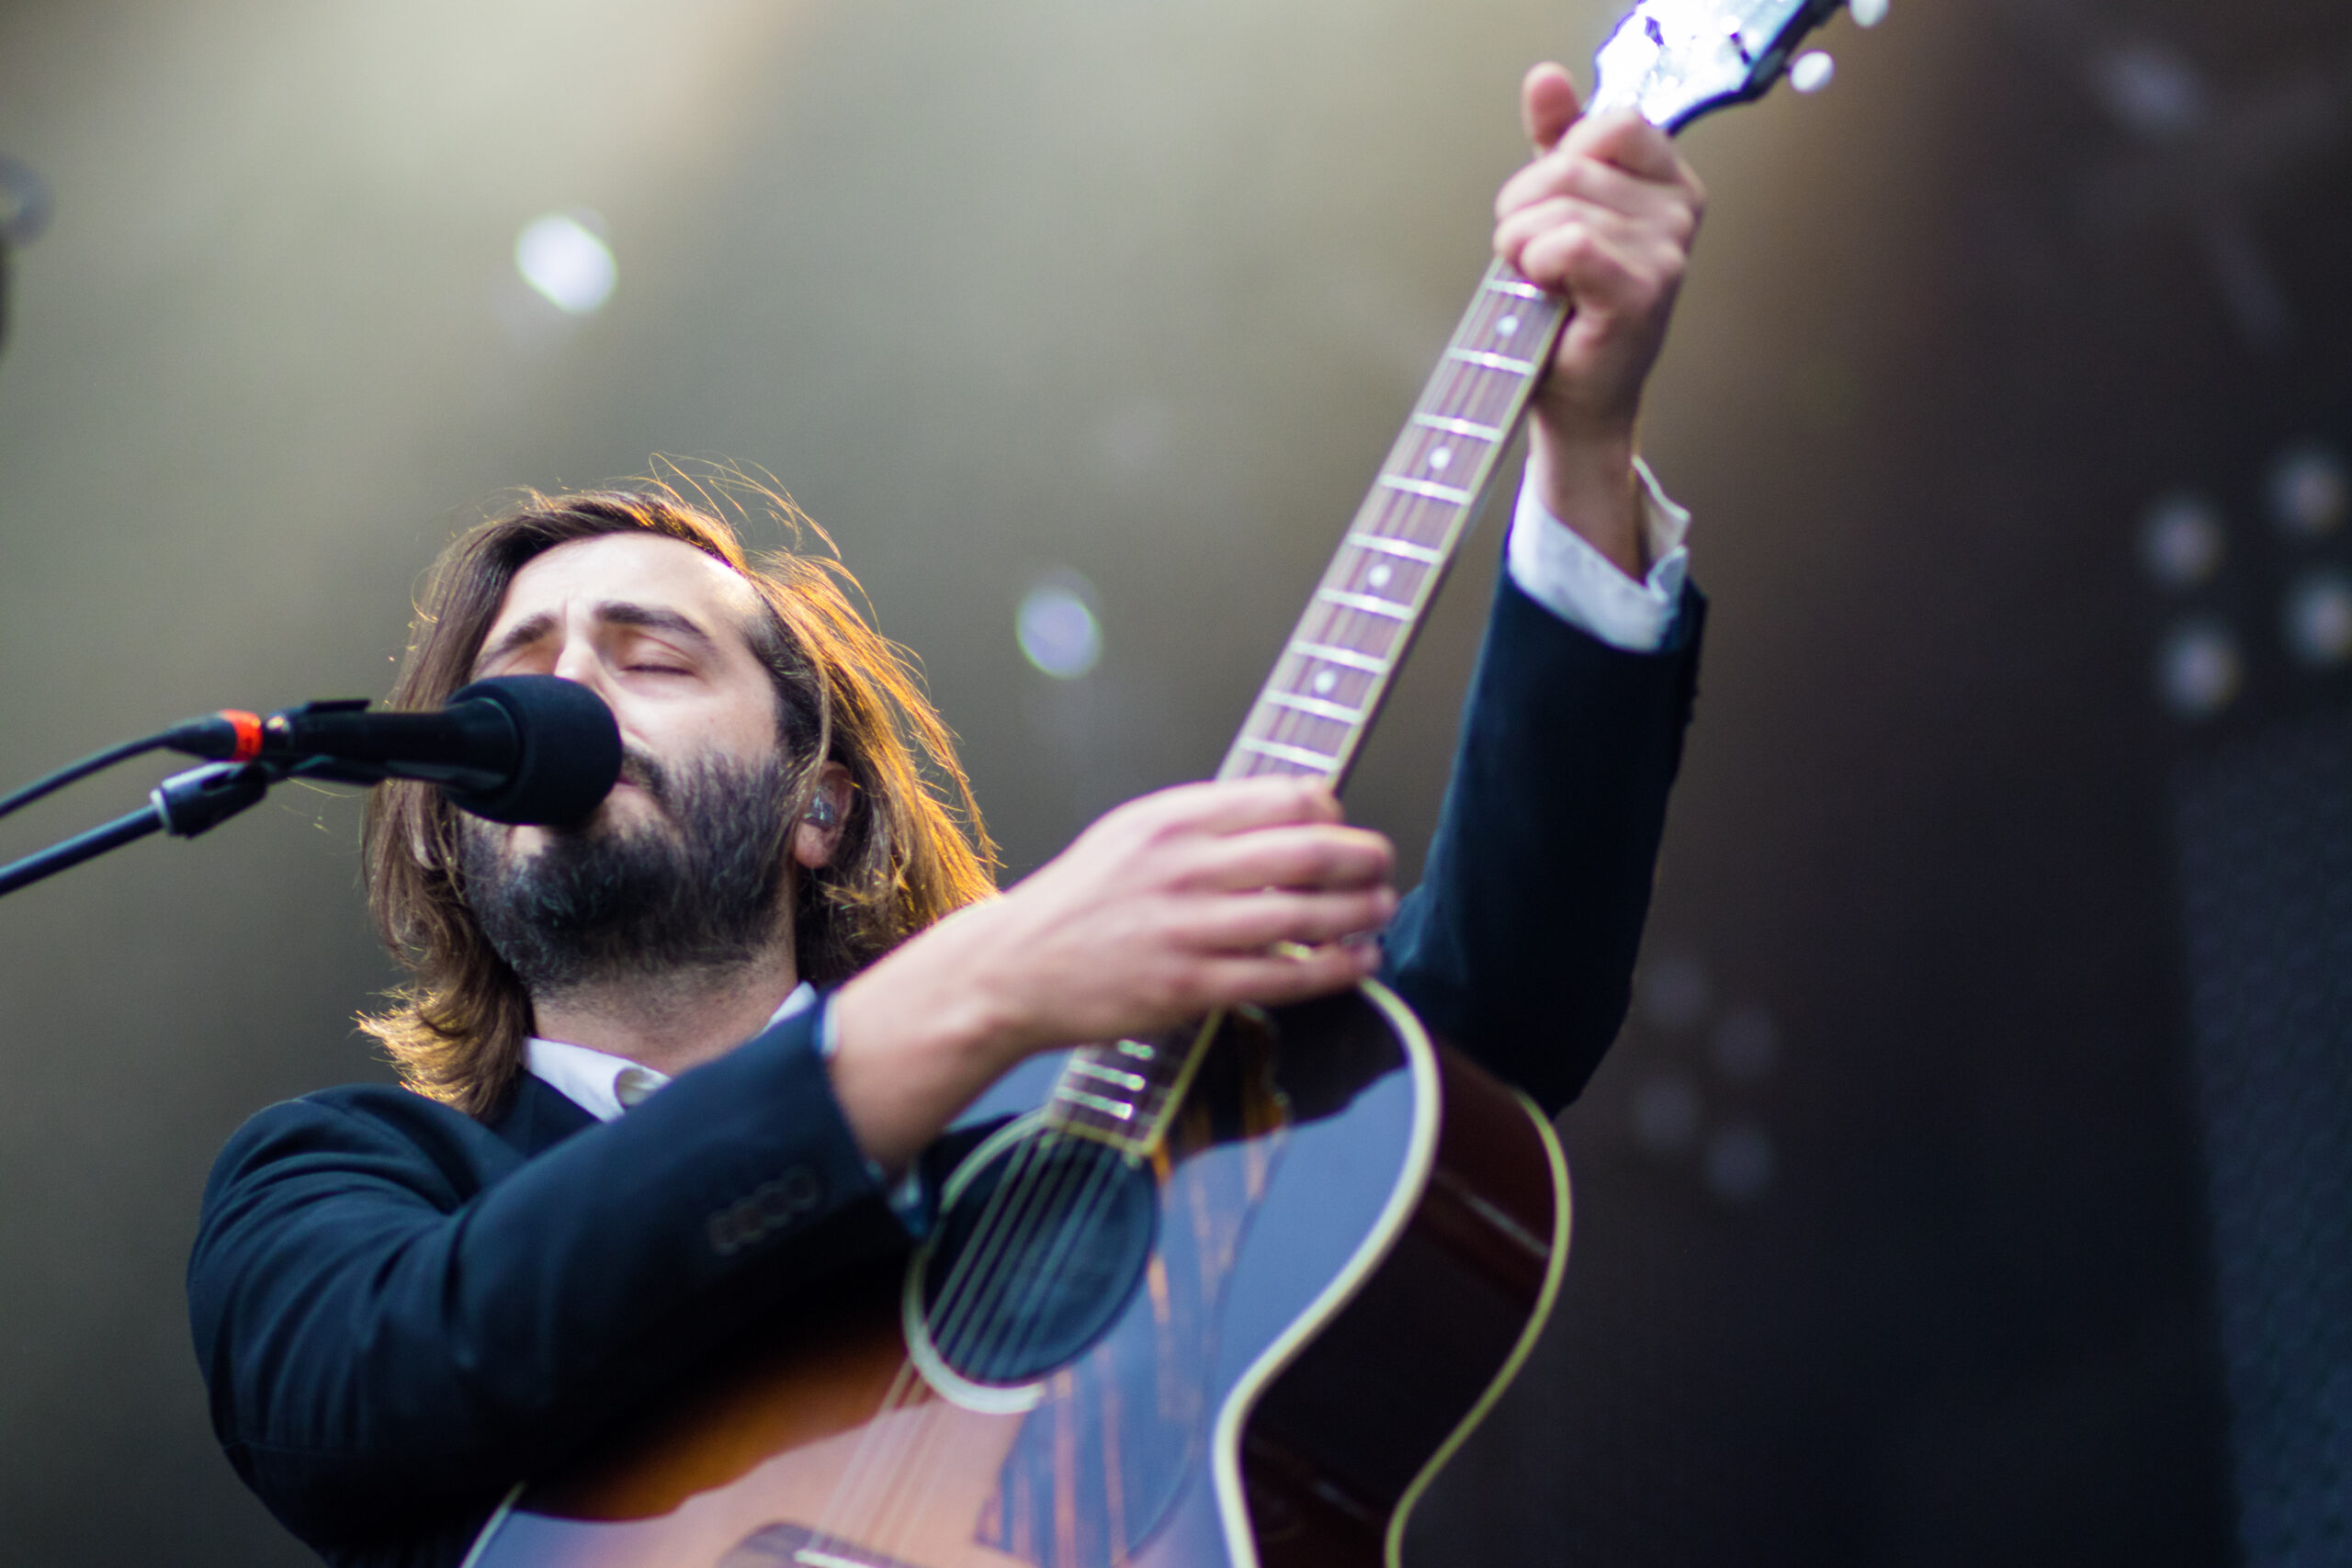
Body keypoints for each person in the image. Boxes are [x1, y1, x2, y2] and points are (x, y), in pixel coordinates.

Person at [187, 64, 1708, 1567]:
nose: (573, 686)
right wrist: (973, 988)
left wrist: (1584, 449)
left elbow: (1484, 1029)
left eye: (651, 655)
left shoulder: (1069, 1104)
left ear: (821, 809)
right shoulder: (337, 1178)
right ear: (453, 820)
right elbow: (367, 1399)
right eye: (518, 675)